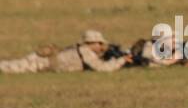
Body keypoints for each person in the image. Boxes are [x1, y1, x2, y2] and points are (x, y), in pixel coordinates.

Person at [0, 29, 130, 75]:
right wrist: (121, 61)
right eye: (99, 43)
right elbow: (101, 68)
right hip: (39, 63)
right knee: (8, 67)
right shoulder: (85, 51)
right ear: (90, 43)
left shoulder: (81, 50)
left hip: (42, 61)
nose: (101, 47)